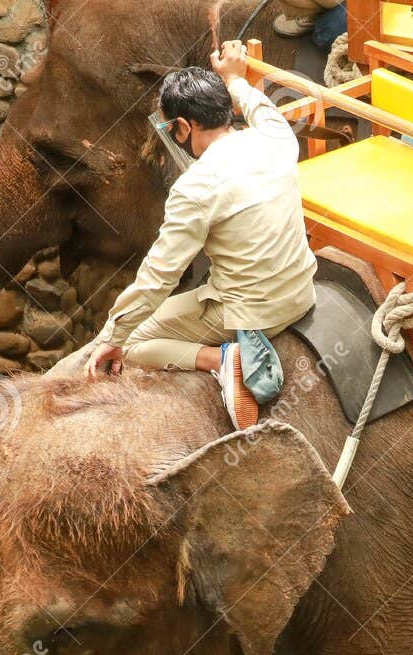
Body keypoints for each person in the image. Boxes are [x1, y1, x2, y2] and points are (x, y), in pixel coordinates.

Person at [82, 40, 316, 428]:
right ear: (226, 110)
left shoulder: (195, 188)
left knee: (135, 340)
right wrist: (235, 78)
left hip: (252, 312)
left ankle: (223, 359)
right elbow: (259, 105)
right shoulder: (277, 137)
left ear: (184, 127)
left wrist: (112, 335)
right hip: (301, 289)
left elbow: (158, 278)